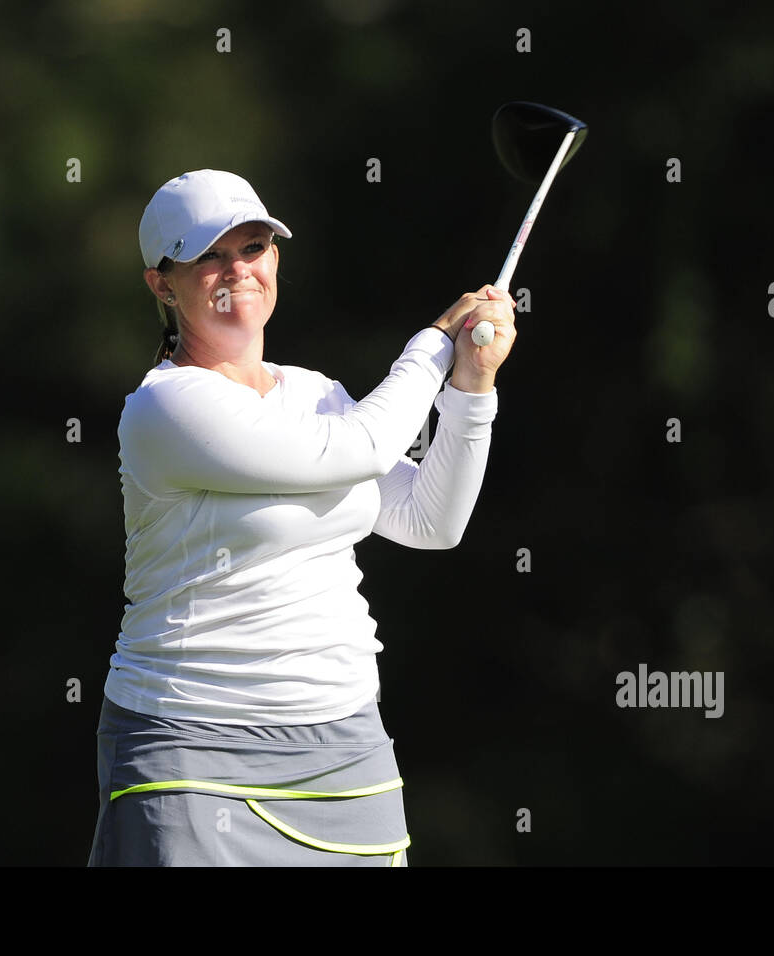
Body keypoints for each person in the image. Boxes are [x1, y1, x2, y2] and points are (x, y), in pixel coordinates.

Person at [87, 169, 516, 866]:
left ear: (276, 260)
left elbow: (430, 521)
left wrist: (470, 384)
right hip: (193, 745)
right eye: (210, 255)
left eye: (253, 248)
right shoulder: (164, 408)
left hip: (346, 747)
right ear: (161, 283)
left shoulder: (319, 394)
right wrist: (435, 343)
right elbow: (362, 445)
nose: (238, 270)